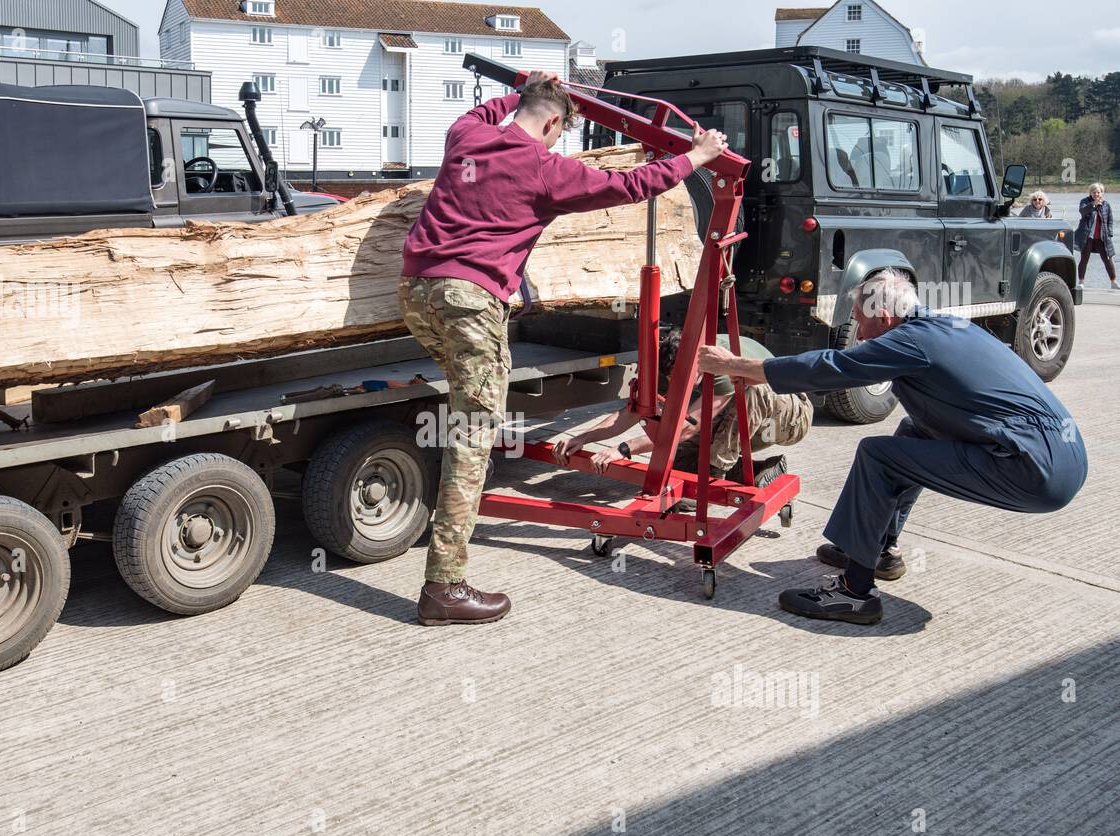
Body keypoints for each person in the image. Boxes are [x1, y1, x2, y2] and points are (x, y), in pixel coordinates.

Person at [399, 72, 728, 626]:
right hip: (469, 300)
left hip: (416, 291)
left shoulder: (466, 136)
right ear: (553, 123)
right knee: (472, 440)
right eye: (557, 132)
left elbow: (487, 110)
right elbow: (633, 186)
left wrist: (526, 90)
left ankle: (446, 555)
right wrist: (697, 156)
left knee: (467, 404)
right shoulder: (548, 169)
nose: (554, 142)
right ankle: (443, 587)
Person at [697, 268, 1088, 626]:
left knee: (877, 455)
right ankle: (879, 549)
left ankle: (854, 593)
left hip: (1032, 468)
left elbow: (832, 367)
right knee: (912, 432)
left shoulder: (910, 341)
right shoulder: (945, 326)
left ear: (884, 317)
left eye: (862, 321)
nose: (860, 333)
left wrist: (737, 366)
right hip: (1062, 456)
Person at [553, 327, 812, 488]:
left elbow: (687, 429)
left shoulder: (718, 363)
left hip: (788, 416)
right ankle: (763, 470)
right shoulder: (671, 361)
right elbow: (630, 413)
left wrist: (624, 448)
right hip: (742, 422)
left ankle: (715, 475)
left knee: (749, 389)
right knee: (675, 464)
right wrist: (583, 437)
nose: (673, 385)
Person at [1075, 182, 1117, 288]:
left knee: (1108, 259)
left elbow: (1110, 221)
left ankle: (1113, 282)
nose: (1096, 194)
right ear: (1091, 193)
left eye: (1098, 192)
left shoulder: (1106, 205)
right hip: (1087, 236)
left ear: (1102, 193)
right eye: (1094, 192)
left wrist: (1110, 234)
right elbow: (1082, 211)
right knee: (1084, 259)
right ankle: (1081, 282)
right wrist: (1093, 204)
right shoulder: (1085, 202)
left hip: (1102, 237)